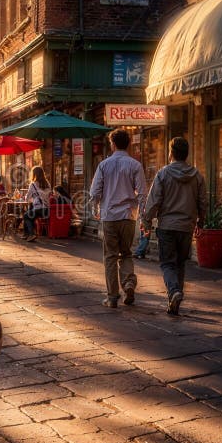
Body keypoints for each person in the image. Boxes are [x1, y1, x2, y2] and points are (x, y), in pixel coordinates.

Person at [142, 137, 207, 315]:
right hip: (186, 226)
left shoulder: (163, 174)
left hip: (167, 226)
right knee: (180, 263)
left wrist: (146, 221)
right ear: (186, 154)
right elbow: (202, 202)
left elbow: (154, 201)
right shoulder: (197, 175)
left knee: (167, 263)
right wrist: (201, 222)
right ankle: (174, 300)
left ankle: (174, 292)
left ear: (171, 153)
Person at [89, 128, 147, 308]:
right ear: (128, 144)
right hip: (129, 216)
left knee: (110, 257)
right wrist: (143, 216)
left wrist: (95, 208)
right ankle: (128, 283)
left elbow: (95, 192)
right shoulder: (135, 165)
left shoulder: (104, 165)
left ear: (113, 144)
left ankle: (112, 297)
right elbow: (143, 194)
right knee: (126, 253)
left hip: (109, 216)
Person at [22, 166, 52, 242]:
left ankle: (31, 234)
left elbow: (27, 198)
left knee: (26, 216)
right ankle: (27, 234)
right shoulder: (48, 184)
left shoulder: (33, 185)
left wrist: (31, 198)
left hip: (39, 209)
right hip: (47, 210)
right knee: (30, 215)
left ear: (34, 174)